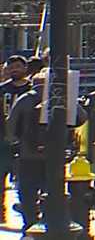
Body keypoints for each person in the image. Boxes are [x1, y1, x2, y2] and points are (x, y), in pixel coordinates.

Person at [7, 70, 46, 232]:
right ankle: (48, 220)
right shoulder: (61, 98)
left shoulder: (25, 99)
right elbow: (82, 116)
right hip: (53, 156)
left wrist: (14, 141)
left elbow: (11, 124)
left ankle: (30, 224)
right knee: (52, 190)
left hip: (27, 153)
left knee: (27, 191)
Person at [0, 55, 30, 223]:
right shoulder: (2, 90)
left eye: (18, 66)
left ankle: (27, 209)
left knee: (24, 178)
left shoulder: (32, 90)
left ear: (25, 68)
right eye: (11, 67)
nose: (14, 70)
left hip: (25, 140)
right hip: (3, 140)